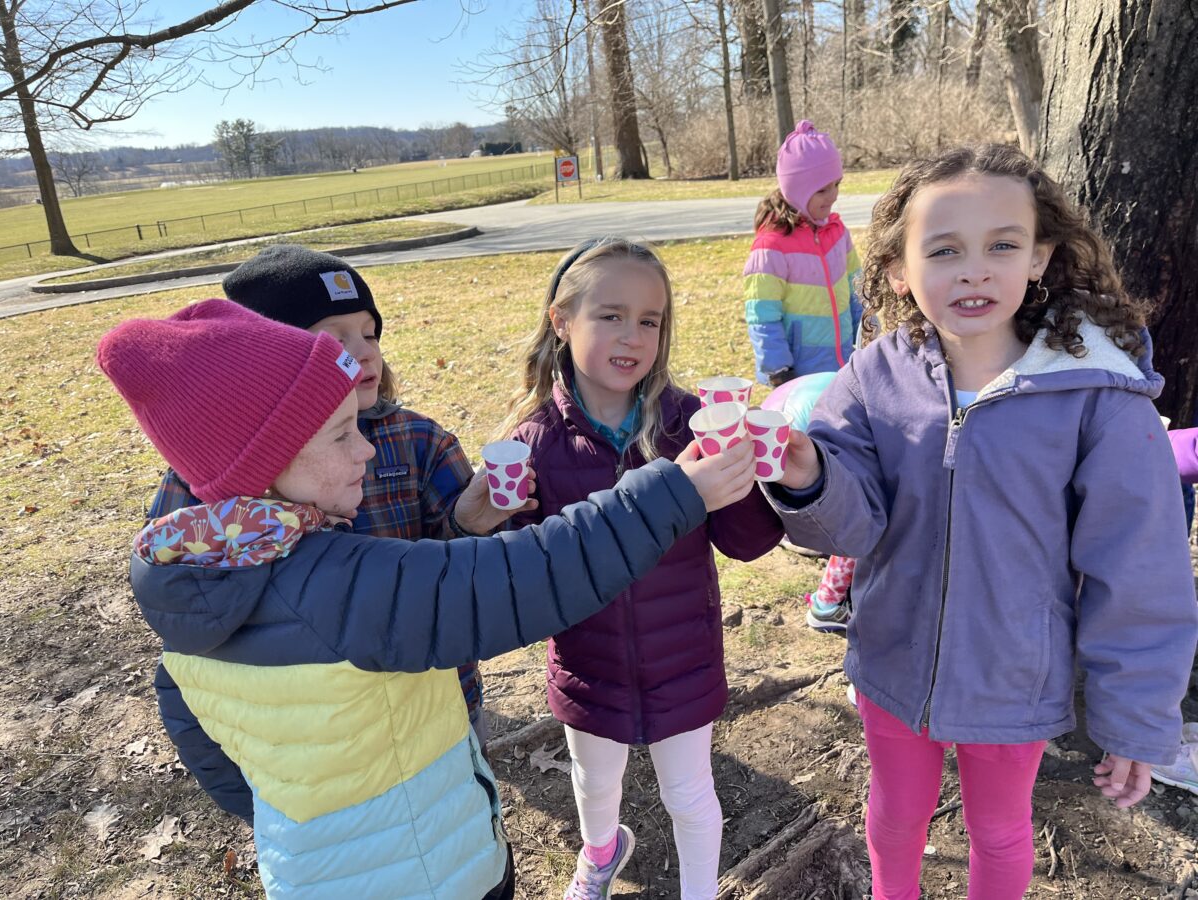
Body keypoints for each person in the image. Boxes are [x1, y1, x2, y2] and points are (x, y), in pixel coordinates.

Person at [98, 299, 758, 900]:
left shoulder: (186, 579)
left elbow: (199, 738)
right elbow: (529, 576)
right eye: (339, 436)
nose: (365, 448)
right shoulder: (338, 585)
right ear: (256, 468)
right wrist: (675, 492)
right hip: (434, 873)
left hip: (307, 874)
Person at [768, 144, 1198, 899]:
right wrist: (809, 477)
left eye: (1002, 245)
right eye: (944, 250)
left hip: (1014, 678)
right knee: (896, 813)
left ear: (1040, 256)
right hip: (894, 664)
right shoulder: (874, 376)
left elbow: (1138, 567)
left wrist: (1137, 716)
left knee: (998, 830)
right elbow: (852, 527)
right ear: (900, 270)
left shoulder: (1095, 393)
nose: (974, 269)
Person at [145, 246, 512, 827]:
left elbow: (462, 570)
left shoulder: (416, 440)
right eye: (335, 338)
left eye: (370, 332)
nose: (364, 352)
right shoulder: (210, 482)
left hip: (435, 701)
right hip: (312, 736)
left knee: (462, 828)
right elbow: (187, 595)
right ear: (273, 362)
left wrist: (468, 522)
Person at [500, 238, 784, 900]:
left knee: (689, 793)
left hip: (680, 654)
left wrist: (745, 474)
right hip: (586, 659)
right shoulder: (534, 442)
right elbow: (524, 568)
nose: (633, 335)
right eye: (611, 315)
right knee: (595, 781)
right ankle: (599, 856)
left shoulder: (690, 424)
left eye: (650, 320)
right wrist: (501, 512)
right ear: (561, 321)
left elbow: (743, 544)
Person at [742, 120, 863, 633]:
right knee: (812, 456)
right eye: (820, 189)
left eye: (835, 186)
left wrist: (867, 339)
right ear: (795, 190)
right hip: (800, 375)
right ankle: (821, 536)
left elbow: (857, 288)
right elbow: (760, 314)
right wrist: (779, 369)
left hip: (844, 368)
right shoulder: (771, 246)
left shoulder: (837, 232)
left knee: (847, 455)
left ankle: (843, 545)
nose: (831, 198)